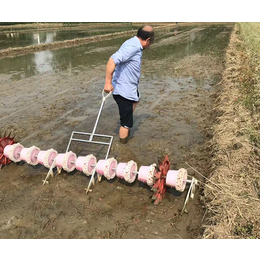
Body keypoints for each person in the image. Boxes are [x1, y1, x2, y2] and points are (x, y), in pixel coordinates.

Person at [104, 25, 154, 144]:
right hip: (123, 90)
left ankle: (126, 117)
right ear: (148, 40)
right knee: (126, 124)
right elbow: (112, 60)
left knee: (136, 98)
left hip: (129, 88)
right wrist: (107, 83)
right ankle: (123, 145)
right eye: (151, 42)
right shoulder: (133, 46)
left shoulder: (133, 42)